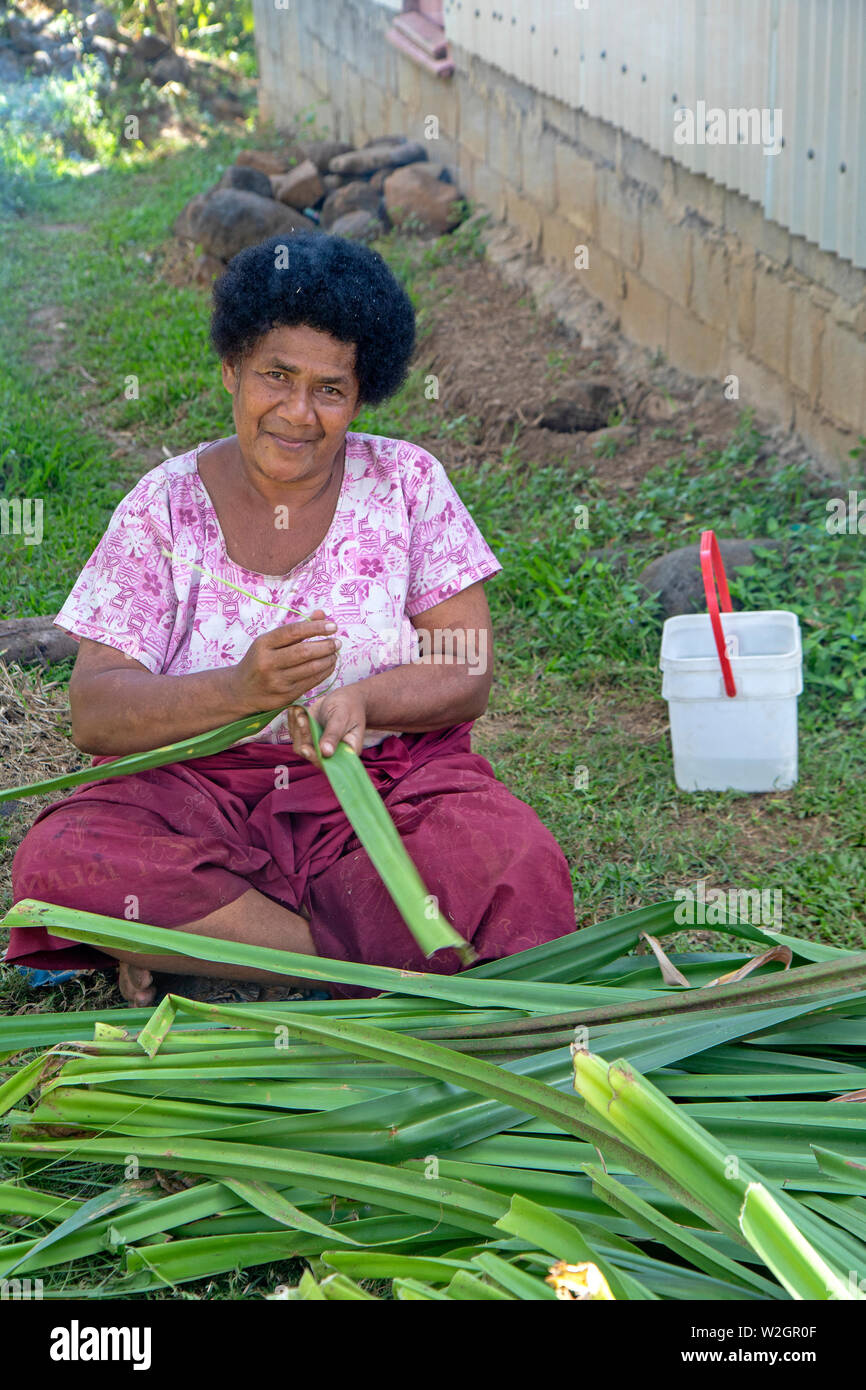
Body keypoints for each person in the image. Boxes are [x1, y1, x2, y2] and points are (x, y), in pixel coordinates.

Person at [7, 232, 576, 1004]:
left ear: (360, 395)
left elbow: (465, 667)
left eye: (330, 389)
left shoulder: (406, 484)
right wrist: (240, 689)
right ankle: (379, 959)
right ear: (231, 372)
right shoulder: (164, 505)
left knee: (510, 857)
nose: (298, 413)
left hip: (381, 785)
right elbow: (97, 711)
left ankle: (215, 949)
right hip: (194, 791)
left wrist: (364, 700)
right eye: (275, 376)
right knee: (66, 861)